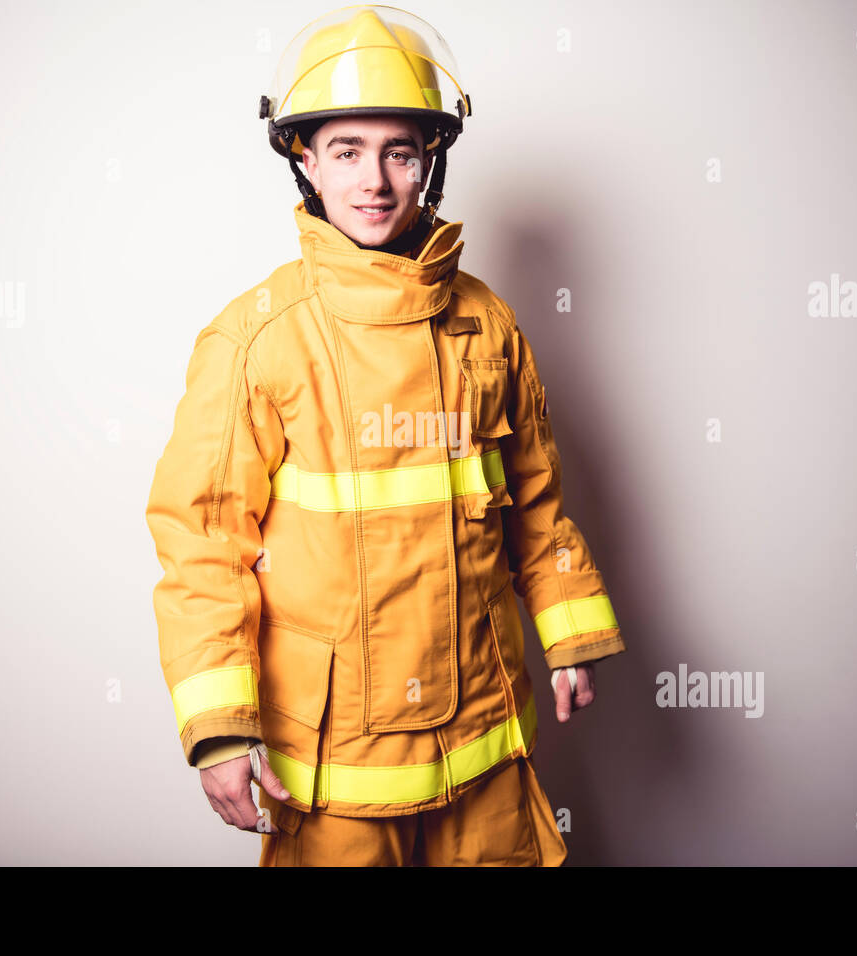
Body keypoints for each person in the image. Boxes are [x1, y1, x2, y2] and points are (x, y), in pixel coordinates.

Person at [145, 4, 624, 866]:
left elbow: (538, 507)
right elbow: (203, 545)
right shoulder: (257, 340)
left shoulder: (489, 324)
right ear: (304, 160)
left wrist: (569, 636)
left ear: (430, 161)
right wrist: (219, 728)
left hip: (487, 747)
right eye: (346, 151)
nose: (374, 180)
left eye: (399, 151)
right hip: (334, 776)